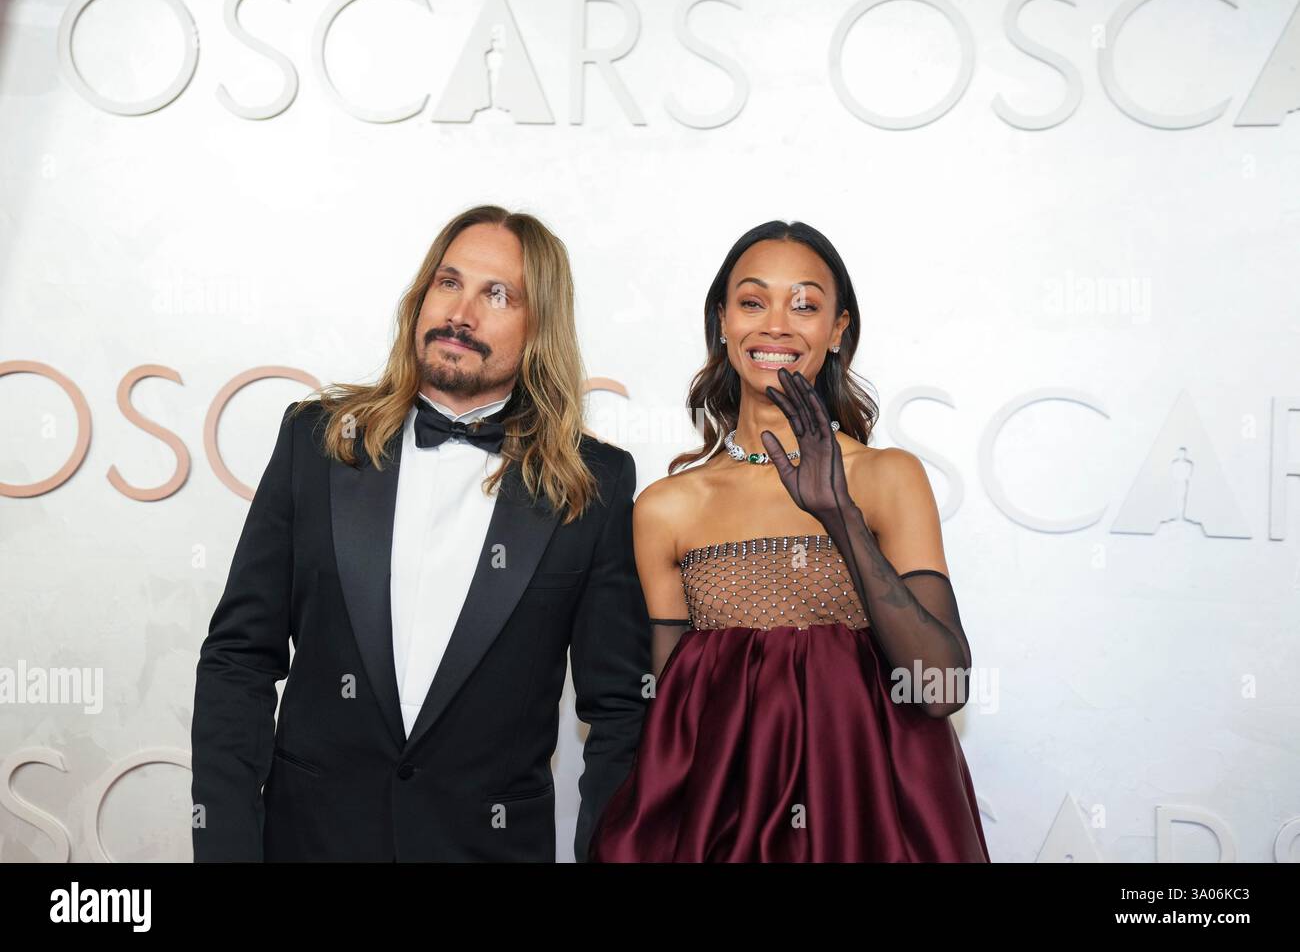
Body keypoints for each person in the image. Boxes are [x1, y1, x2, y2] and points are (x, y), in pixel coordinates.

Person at [191, 205, 650, 862]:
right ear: (420, 298)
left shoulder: (596, 484)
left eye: (498, 295)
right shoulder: (316, 441)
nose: (462, 312)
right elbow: (239, 658)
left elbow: (620, 713)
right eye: (448, 282)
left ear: (541, 328)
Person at [588, 220, 990, 862]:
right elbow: (668, 721)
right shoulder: (667, 507)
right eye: (752, 302)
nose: (776, 325)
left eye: (804, 305)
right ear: (722, 321)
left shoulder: (888, 478)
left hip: (871, 820)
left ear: (838, 331)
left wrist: (842, 519)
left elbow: (940, 688)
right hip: (723, 828)